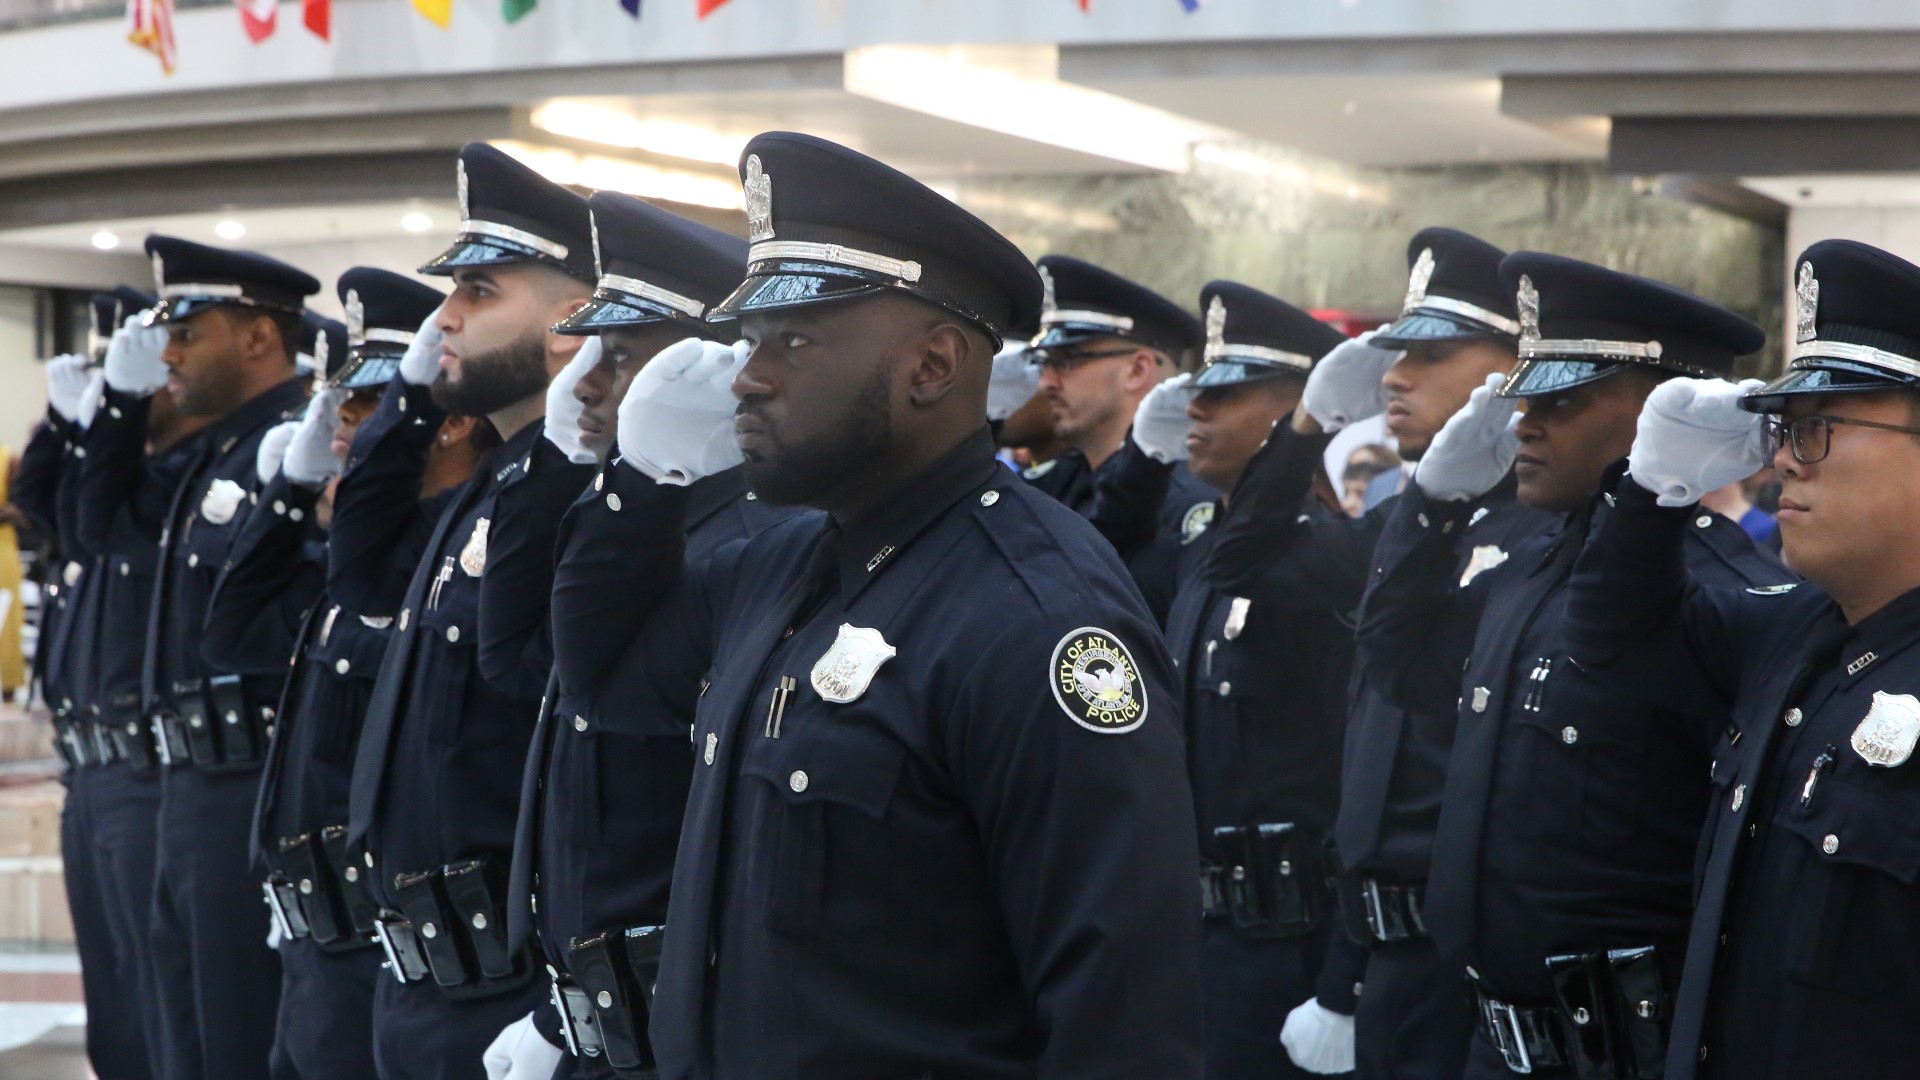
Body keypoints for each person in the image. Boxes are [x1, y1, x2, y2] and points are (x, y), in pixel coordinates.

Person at [570, 131, 1205, 1079]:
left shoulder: (1037, 616)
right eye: (748, 340)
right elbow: (610, 681)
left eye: (792, 338)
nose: (747, 374)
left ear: (933, 366)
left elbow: (1120, 1014)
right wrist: (641, 479)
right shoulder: (784, 561)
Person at [1357, 252, 1789, 1079]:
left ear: (1673, 414)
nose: (1526, 423)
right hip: (1486, 1039)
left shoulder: (1718, 594)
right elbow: (1398, 666)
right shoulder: (1528, 569)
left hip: (1621, 1051)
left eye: (1562, 399)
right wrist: (1430, 504)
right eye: (1527, 398)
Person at [1565, 238, 1920, 1079]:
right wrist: (1653, 489)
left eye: (1820, 428)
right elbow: (1609, 642)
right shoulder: (1797, 633)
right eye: (1785, 428)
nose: (1785, 459)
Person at [1209, 229, 1553, 1080]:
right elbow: (1238, 561)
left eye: (1430, 354)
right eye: (1396, 353)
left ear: (1518, 366)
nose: (1395, 376)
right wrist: (1305, 425)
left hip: (1479, 970)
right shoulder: (1408, 532)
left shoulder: (1553, 540)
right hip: (1375, 951)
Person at [497, 188, 799, 1077]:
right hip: (593, 1014)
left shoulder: (749, 541)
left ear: (707, 372)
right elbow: (513, 655)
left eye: (621, 357)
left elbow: (602, 693)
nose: (584, 382)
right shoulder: (638, 528)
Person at [342, 142, 599, 1078]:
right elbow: (360, 573)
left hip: (509, 993)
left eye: (479, 292)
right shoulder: (489, 486)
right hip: (418, 981)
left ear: (575, 318)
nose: (443, 316)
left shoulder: (590, 500)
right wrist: (411, 401)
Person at [203, 267, 463, 1080]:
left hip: (380, 953)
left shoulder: (435, 563)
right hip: (317, 950)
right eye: (337, 407)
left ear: (443, 423)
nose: (342, 430)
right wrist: (288, 492)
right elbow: (233, 633)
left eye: (365, 410)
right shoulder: (355, 568)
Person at [81, 236, 317, 1079]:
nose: (168, 350)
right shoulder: (207, 455)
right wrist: (116, 403)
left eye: (188, 328)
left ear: (258, 335)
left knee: (235, 1038)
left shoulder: (296, 446)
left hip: (246, 780)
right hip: (184, 784)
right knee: (178, 1036)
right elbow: (93, 523)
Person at [1114, 280, 1355, 1078]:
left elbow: (1359, 778)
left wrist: (1341, 983)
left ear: (1295, 416)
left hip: (1294, 942)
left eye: (1227, 395)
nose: (1198, 412)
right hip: (1204, 933)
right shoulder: (1201, 553)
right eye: (1198, 394)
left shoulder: (1325, 559)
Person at [1021, 254, 1212, 620]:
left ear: (1138, 369)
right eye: (1044, 362)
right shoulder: (1056, 484)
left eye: (1067, 360)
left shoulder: (1184, 501)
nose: (1046, 382)